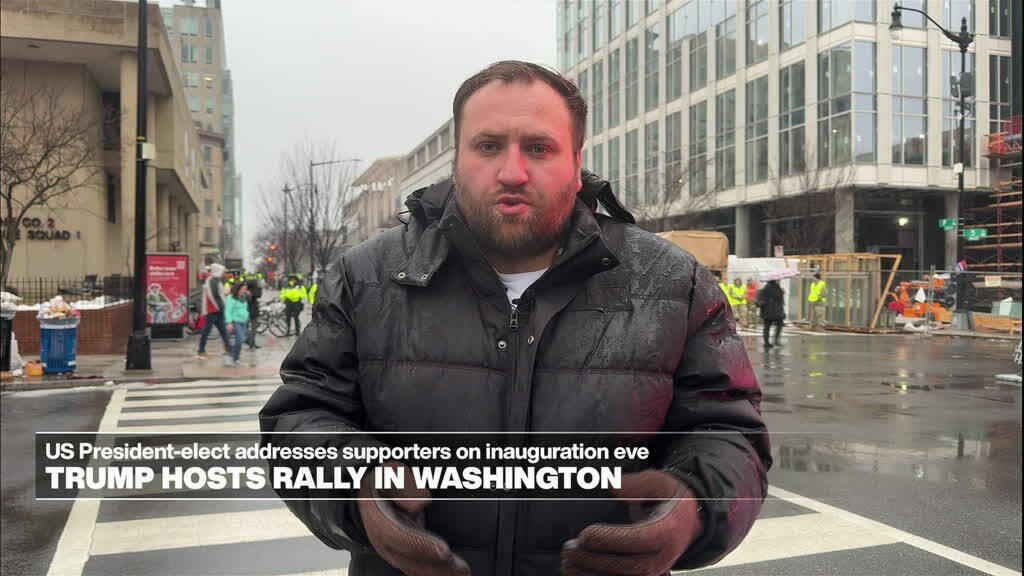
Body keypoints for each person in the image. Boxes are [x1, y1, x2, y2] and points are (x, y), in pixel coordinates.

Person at [260, 60, 770, 576]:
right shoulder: (365, 277)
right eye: (487, 146)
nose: (512, 171)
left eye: (539, 148)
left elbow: (729, 432)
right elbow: (299, 418)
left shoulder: (672, 283)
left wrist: (696, 507)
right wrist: (358, 492)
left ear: (576, 162)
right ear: (457, 160)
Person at [197, 263, 229, 359]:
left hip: (217, 310)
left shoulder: (216, 281)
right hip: (212, 311)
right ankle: (201, 351)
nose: (225, 274)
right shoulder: (212, 281)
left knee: (223, 330)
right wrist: (220, 306)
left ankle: (228, 348)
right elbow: (212, 296)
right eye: (223, 272)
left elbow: (218, 295)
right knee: (206, 331)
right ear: (218, 271)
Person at [224, 281, 250, 366]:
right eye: (243, 289)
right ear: (238, 289)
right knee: (239, 339)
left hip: (243, 322)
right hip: (235, 321)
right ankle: (233, 357)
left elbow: (244, 308)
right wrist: (229, 322)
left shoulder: (243, 297)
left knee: (241, 340)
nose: (245, 290)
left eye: (245, 289)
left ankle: (234, 357)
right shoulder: (231, 298)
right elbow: (228, 310)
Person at [757, 279, 786, 348]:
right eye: (778, 280)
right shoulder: (776, 288)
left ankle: (766, 343)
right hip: (775, 311)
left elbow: (761, 300)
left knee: (767, 327)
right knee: (779, 325)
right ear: (774, 281)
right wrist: (782, 292)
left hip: (767, 311)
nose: (779, 281)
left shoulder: (765, 288)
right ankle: (776, 340)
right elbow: (779, 299)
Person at [246, 275, 263, 349]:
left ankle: (250, 342)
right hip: (253, 311)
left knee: (247, 327)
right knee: (254, 328)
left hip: (247, 311)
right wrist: (260, 287)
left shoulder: (246, 291)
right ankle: (252, 343)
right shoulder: (254, 292)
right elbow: (259, 295)